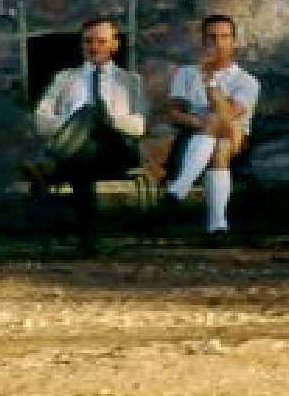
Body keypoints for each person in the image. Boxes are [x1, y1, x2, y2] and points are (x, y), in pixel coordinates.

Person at [25, 18, 147, 257]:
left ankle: (49, 163)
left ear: (114, 45)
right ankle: (88, 242)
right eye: (88, 41)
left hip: (116, 150)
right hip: (80, 154)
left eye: (101, 41)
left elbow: (139, 125)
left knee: (91, 113)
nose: (94, 47)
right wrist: (74, 122)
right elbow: (41, 120)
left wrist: (107, 120)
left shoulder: (131, 81)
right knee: (83, 159)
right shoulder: (64, 78)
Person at [162, 14, 260, 243]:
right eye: (212, 37)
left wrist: (210, 81)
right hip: (193, 137)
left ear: (234, 41)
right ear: (203, 41)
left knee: (220, 129)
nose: (218, 43)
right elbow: (173, 113)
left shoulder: (247, 81)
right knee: (218, 143)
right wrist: (200, 123)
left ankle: (178, 189)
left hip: (236, 138)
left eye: (224, 37)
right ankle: (217, 227)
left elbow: (228, 116)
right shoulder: (186, 73)